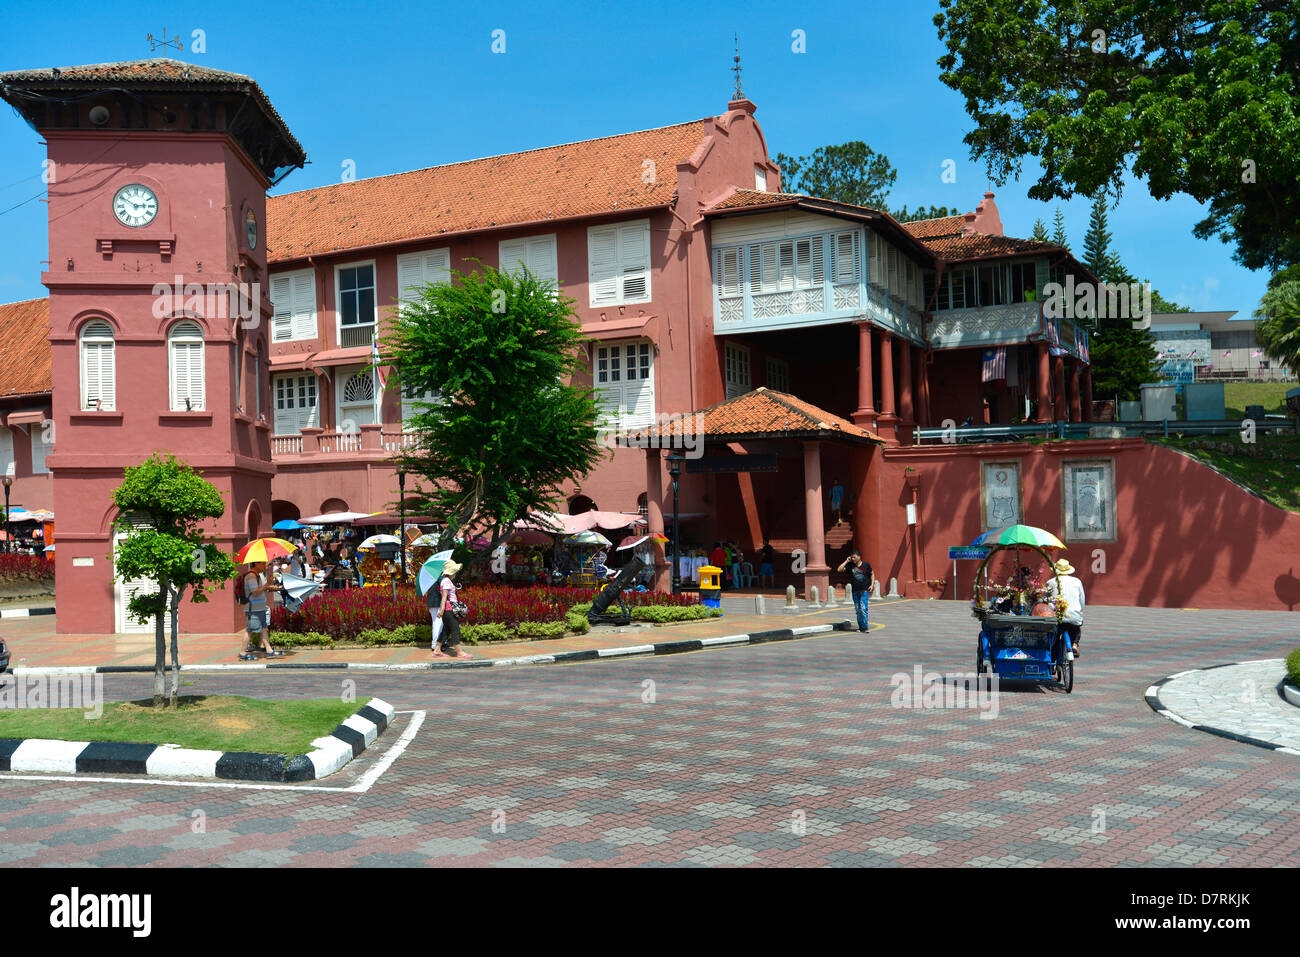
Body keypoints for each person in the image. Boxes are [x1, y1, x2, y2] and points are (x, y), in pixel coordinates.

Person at [239, 561, 283, 660]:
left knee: (263, 629)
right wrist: (267, 585)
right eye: (263, 564)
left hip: (260, 607)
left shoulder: (257, 575)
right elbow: (255, 592)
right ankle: (242, 653)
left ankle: (269, 650)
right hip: (253, 609)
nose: (265, 566)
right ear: (257, 564)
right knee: (250, 631)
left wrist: (268, 586)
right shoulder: (251, 576)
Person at [1042, 557, 1085, 658]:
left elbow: (1045, 600)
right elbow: (1082, 601)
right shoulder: (1077, 581)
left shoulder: (1050, 582)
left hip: (1056, 617)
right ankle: (1074, 644)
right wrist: (1080, 612)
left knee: (1055, 638)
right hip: (1074, 616)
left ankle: (1052, 665)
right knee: (1076, 629)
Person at [431, 559, 471, 659]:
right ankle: (460, 652)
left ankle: (437, 650)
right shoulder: (446, 581)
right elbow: (444, 597)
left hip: (448, 609)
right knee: (455, 630)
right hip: (450, 610)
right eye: (455, 571)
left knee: (446, 631)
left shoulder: (446, 581)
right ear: (451, 572)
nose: (456, 573)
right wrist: (441, 610)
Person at [836, 549, 875, 633]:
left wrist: (872, 585)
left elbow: (872, 574)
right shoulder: (850, 566)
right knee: (858, 609)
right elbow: (839, 569)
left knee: (863, 608)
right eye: (852, 557)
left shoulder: (866, 565)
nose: (852, 559)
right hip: (855, 591)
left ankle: (865, 627)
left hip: (864, 590)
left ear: (859, 557)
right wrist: (846, 561)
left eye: (854, 557)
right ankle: (861, 627)